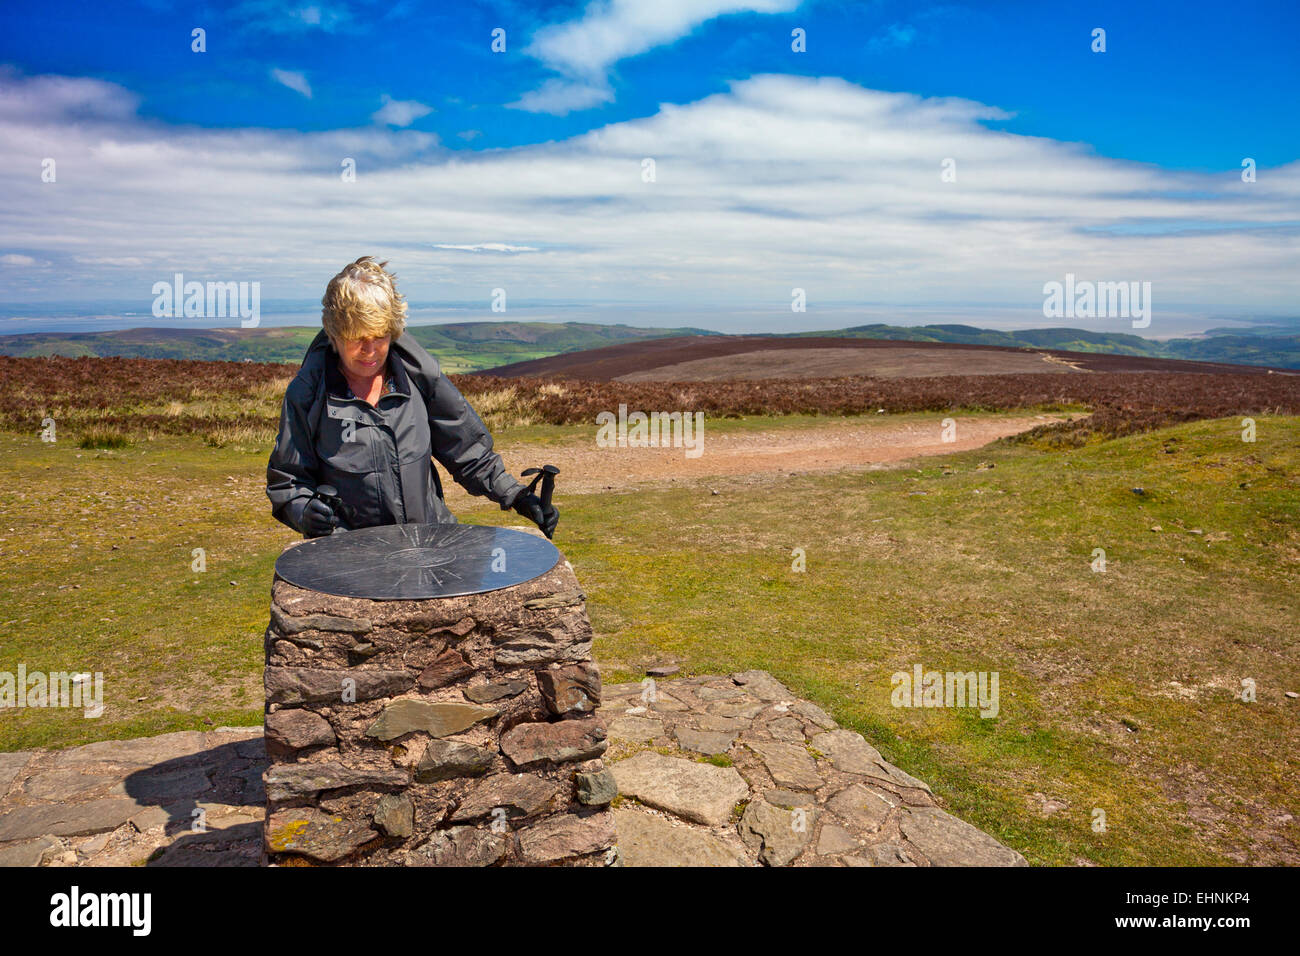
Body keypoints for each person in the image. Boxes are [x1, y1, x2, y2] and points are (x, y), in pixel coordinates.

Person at [265, 255, 558, 539]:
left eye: (379, 336)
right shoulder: (308, 393)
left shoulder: (420, 376)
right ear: (334, 333)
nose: (370, 351)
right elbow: (289, 481)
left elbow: (468, 452)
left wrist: (518, 495)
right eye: (357, 338)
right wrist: (304, 512)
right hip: (351, 558)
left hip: (429, 544)